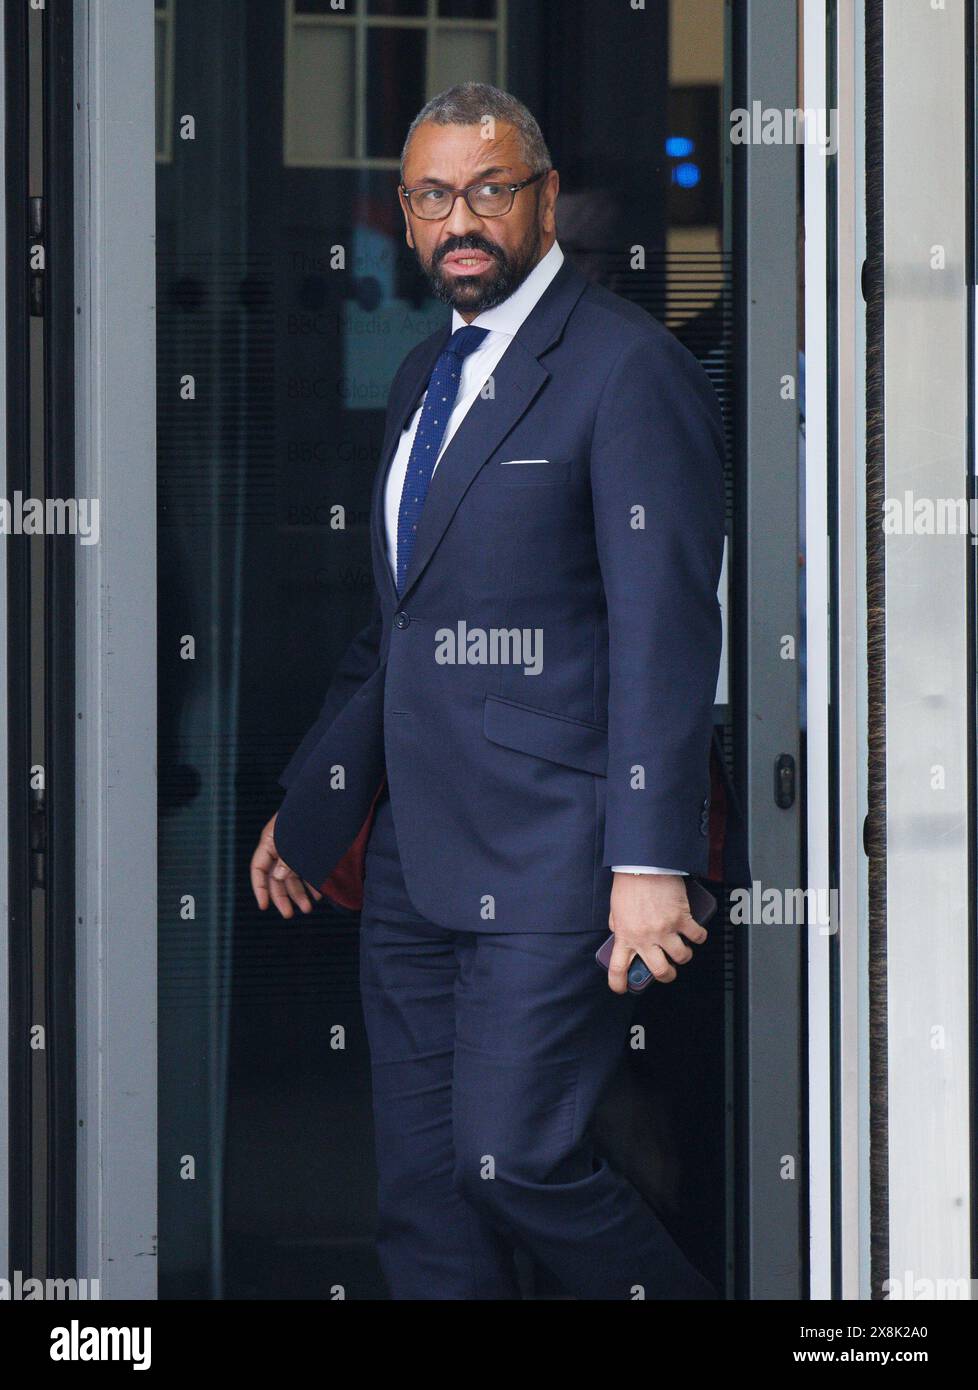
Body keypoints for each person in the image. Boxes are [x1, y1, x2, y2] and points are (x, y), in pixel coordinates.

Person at [251, 83, 750, 1301]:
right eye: (431, 196)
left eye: (487, 189)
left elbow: (666, 634)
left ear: (542, 201)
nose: (457, 218)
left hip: (559, 856)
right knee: (425, 1198)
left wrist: (650, 861)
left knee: (510, 1159)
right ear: (409, 219)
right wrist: (314, 805)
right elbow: (398, 631)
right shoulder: (426, 372)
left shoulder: (628, 369)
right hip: (420, 855)